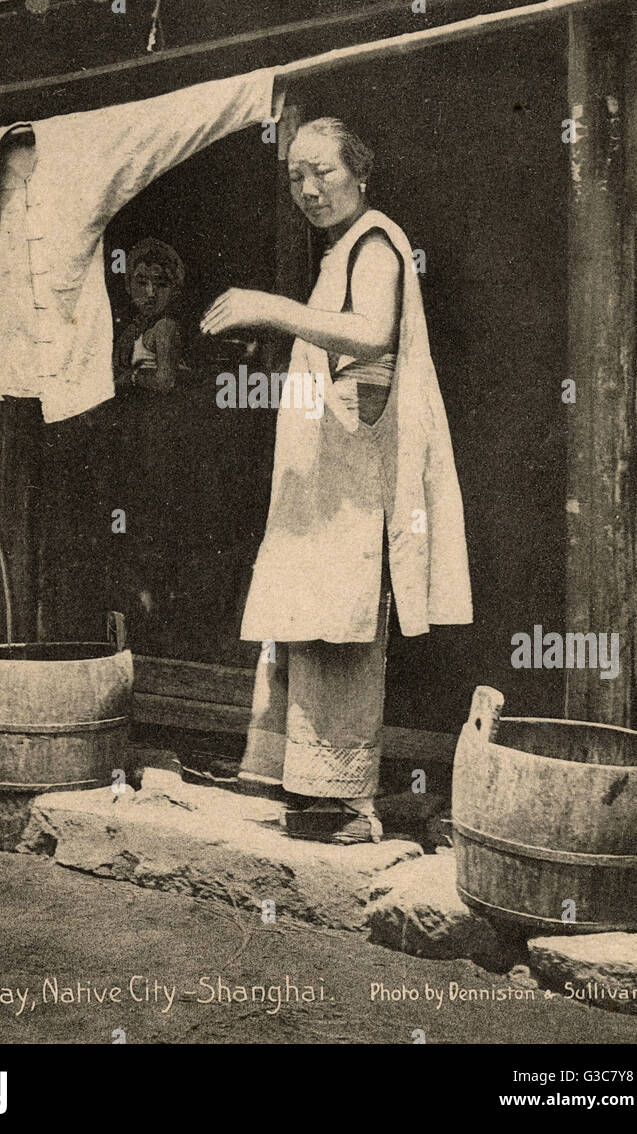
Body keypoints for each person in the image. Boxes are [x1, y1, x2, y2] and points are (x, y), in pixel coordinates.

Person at [201, 116, 472, 844]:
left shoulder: (378, 241)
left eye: (322, 171)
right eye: (294, 176)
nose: (308, 188)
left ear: (360, 171)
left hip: (356, 477)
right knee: (306, 618)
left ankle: (350, 804)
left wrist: (273, 308)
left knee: (344, 626)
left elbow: (374, 333)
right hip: (323, 477)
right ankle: (304, 790)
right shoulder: (339, 251)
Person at [114, 238, 185, 393]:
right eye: (142, 283)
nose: (151, 293)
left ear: (174, 291)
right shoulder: (133, 330)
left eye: (161, 285)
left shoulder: (165, 327)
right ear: (128, 286)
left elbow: (164, 382)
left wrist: (132, 377)